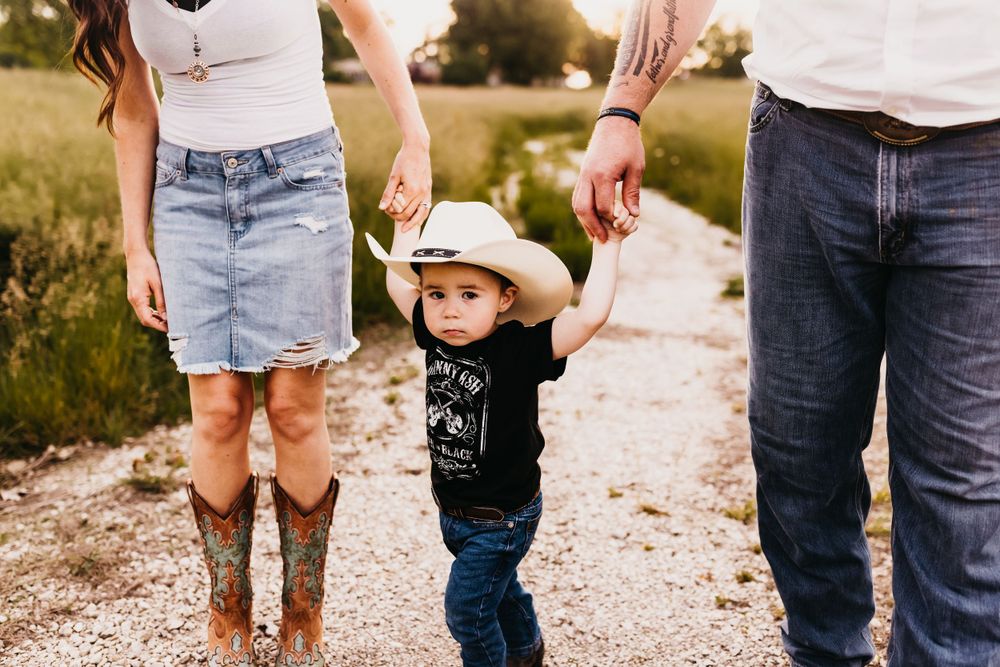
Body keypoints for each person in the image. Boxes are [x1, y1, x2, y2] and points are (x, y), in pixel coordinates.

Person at [574, 1, 1000, 665]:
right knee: (798, 448)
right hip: (804, 139)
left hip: (984, 148)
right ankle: (824, 649)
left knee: (964, 478)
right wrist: (621, 108)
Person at [68, 0, 431, 664]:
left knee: (292, 411)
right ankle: (228, 612)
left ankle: (302, 614)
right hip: (188, 192)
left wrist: (416, 140)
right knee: (218, 411)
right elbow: (133, 108)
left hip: (298, 183)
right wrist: (134, 247)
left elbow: (365, 24)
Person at [366, 201, 637, 666]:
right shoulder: (435, 333)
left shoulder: (521, 347)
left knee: (467, 613)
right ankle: (527, 650)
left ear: (504, 298)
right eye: (437, 294)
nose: (450, 310)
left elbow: (588, 317)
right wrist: (405, 227)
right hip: (453, 508)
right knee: (500, 588)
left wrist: (607, 247)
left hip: (504, 515)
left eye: (469, 294)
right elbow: (398, 282)